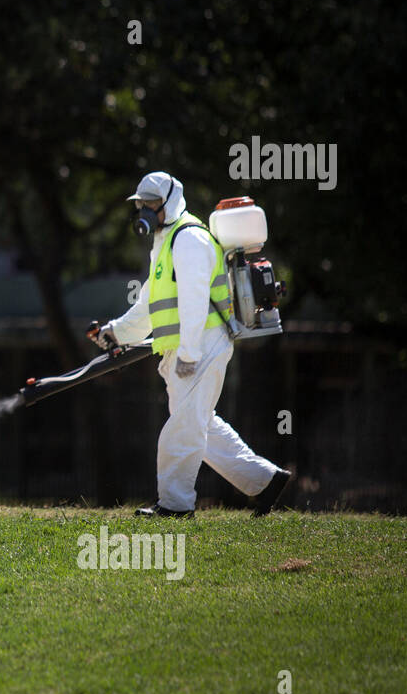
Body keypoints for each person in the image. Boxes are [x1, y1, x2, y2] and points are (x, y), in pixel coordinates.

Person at [92, 171, 292, 518]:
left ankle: (175, 505)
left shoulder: (189, 238)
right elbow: (150, 306)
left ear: (168, 203)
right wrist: (115, 333)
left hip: (202, 347)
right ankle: (266, 481)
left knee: (180, 431)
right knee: (202, 427)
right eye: (141, 204)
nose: (144, 211)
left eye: (150, 204)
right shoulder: (166, 241)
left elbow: (195, 300)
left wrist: (188, 354)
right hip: (188, 351)